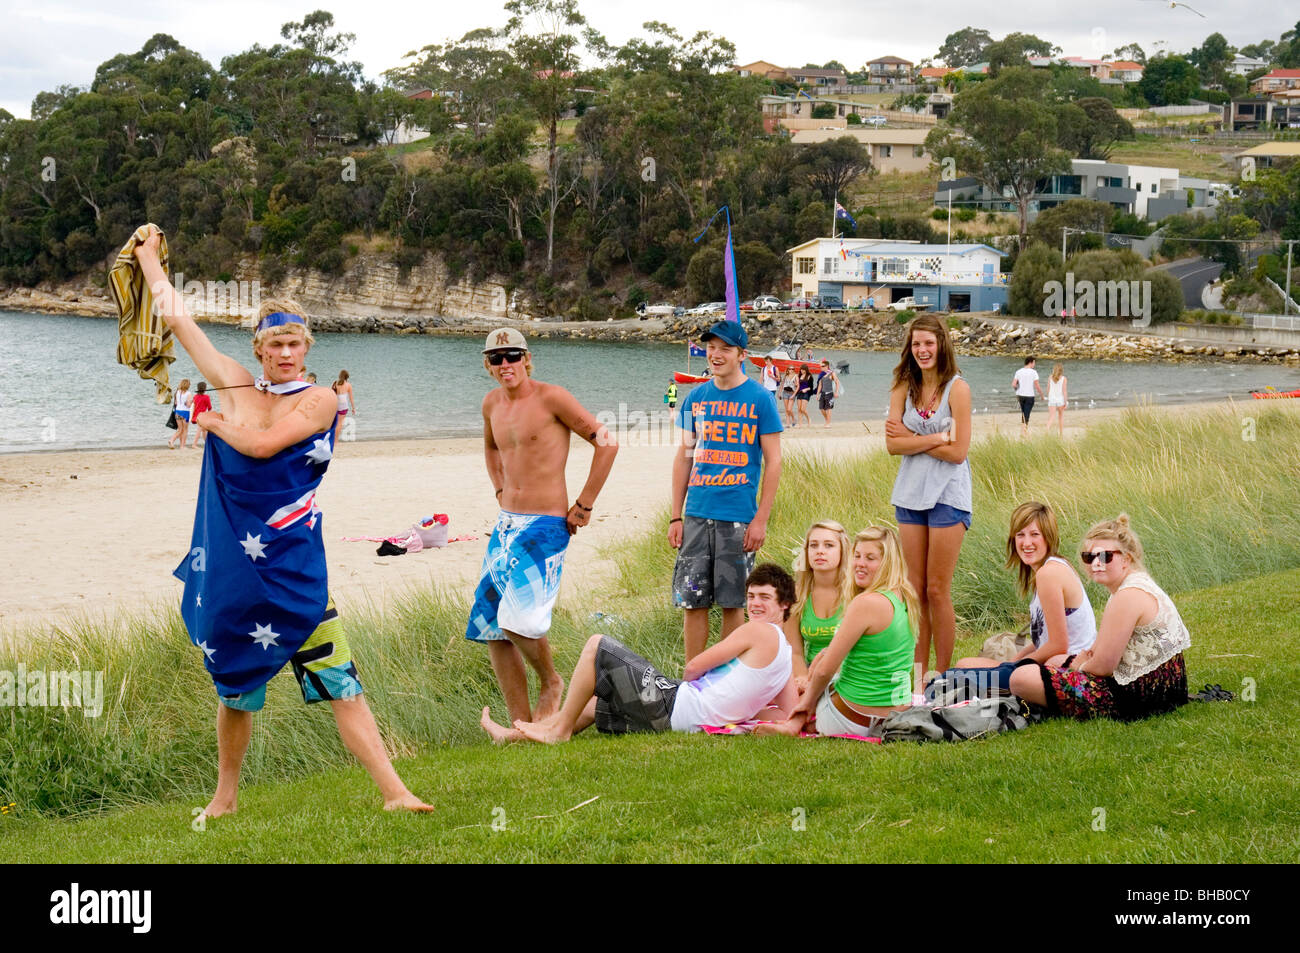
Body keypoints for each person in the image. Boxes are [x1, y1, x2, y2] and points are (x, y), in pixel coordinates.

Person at [131, 225, 432, 817]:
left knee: (342, 681)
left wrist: (211, 422)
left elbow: (267, 447)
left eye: (296, 343)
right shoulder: (239, 386)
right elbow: (180, 322)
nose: (287, 353)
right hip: (240, 577)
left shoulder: (316, 400)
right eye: (276, 345)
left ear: (309, 347)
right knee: (236, 691)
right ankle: (225, 798)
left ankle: (396, 793)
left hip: (294, 572)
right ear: (259, 349)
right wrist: (147, 259)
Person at [469, 327, 619, 732]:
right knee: (492, 629)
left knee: (519, 621)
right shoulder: (490, 404)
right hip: (506, 525)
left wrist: (584, 503)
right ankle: (521, 724)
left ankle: (552, 681)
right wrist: (499, 487)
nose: (506, 364)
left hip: (546, 523)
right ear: (488, 364)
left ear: (527, 358)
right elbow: (491, 447)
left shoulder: (552, 397)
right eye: (497, 358)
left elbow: (606, 442)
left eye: (513, 355)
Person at [485, 564, 798, 743]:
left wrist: (706, 691)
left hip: (678, 703)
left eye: (764, 598)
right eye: (751, 596)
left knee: (598, 644)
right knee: (597, 703)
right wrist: (740, 712)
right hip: (687, 721)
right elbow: (786, 714)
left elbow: (693, 667)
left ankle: (559, 731)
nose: (755, 604)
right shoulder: (785, 657)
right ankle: (513, 736)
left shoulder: (758, 630)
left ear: (784, 604)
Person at [669, 320, 783, 662]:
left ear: (741, 355)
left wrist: (760, 519)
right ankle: (693, 675)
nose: (716, 355)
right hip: (697, 513)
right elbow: (683, 458)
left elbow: (774, 462)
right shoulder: (697, 397)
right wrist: (676, 514)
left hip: (737, 516)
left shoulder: (760, 399)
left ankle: (725, 674)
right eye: (711, 348)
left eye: (725, 349)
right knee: (693, 600)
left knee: (733, 602)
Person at [1009, 514, 1190, 721]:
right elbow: (1100, 651)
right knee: (1055, 660)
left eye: (1105, 557)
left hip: (1139, 696)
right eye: (1089, 557)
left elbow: (1103, 667)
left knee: (1020, 678)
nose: (1096, 563)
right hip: (1163, 686)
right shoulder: (1132, 585)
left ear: (1126, 559)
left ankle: (1053, 704)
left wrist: (1079, 666)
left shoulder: (1127, 596)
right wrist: (1083, 660)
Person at [926, 501, 1096, 703]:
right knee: (964, 663)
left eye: (1035, 534)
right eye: (1020, 535)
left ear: (1048, 537)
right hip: (1050, 664)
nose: (1026, 543)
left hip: (1066, 670)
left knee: (943, 683)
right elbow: (1045, 637)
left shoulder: (1049, 573)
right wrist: (1012, 661)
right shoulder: (1048, 570)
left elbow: (1058, 645)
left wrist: (1012, 667)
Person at [758, 526, 917, 738]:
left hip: (852, 718)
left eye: (870, 558)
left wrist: (804, 705)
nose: (860, 564)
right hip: (895, 716)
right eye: (857, 556)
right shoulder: (905, 596)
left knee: (821, 662)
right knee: (824, 661)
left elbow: (825, 670)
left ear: (888, 562)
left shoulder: (865, 603)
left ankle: (794, 724)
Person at [885, 313, 972, 681]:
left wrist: (913, 439)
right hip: (909, 494)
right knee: (914, 590)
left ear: (941, 346)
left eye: (928, 343)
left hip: (948, 496)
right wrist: (938, 437)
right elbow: (892, 445)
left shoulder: (958, 389)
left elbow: (959, 452)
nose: (922, 350)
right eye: (916, 344)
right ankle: (918, 675)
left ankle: (943, 673)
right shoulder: (902, 386)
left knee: (937, 589)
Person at [783, 520, 855, 694]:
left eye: (829, 545)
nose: (820, 551)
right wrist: (803, 680)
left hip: (852, 675)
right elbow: (795, 652)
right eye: (813, 545)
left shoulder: (857, 593)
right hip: (811, 674)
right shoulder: (797, 594)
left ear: (842, 550)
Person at [1012, 356, 1043, 437]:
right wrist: (1042, 395)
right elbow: (1037, 386)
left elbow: (1013, 384)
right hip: (1029, 396)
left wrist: (1017, 390)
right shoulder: (1033, 372)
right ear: (1031, 362)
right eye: (1034, 363)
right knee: (1026, 414)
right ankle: (1023, 433)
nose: (1034, 365)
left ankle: (1023, 431)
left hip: (1020, 395)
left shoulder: (1018, 371)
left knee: (1023, 413)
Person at [816, 360, 841, 428]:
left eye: (823, 366)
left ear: (827, 366)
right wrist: (817, 394)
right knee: (821, 408)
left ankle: (828, 423)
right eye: (820, 366)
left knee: (828, 408)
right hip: (823, 393)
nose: (821, 367)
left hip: (829, 393)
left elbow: (837, 382)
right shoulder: (822, 374)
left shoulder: (832, 373)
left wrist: (836, 392)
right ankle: (827, 420)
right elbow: (820, 385)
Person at [332, 370, 355, 443]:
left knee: (335, 423)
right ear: (347, 377)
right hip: (344, 405)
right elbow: (351, 397)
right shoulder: (348, 385)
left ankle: (332, 439)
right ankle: (336, 440)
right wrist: (353, 408)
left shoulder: (335, 383)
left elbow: (331, 394)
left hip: (336, 404)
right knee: (340, 423)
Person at [1045, 363, 1067, 437]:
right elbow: (1064, 391)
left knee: (1051, 417)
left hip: (1052, 399)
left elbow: (1048, 389)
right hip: (1060, 400)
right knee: (1060, 417)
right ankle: (1061, 434)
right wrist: (1065, 401)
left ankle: (1047, 430)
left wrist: (1048, 397)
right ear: (1061, 371)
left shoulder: (1050, 377)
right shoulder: (1064, 379)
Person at [169, 378, 192, 449]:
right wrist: (192, 402)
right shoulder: (188, 393)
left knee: (180, 429)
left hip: (177, 412)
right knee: (185, 430)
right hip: (185, 412)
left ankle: (172, 440)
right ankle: (182, 446)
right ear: (188, 385)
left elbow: (176, 403)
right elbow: (188, 405)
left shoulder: (177, 392)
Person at [189, 381, 212, 449]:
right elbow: (210, 407)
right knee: (199, 430)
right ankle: (194, 444)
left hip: (196, 416)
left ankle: (206, 444)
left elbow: (194, 405)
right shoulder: (206, 397)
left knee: (204, 430)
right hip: (201, 416)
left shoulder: (195, 396)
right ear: (205, 389)